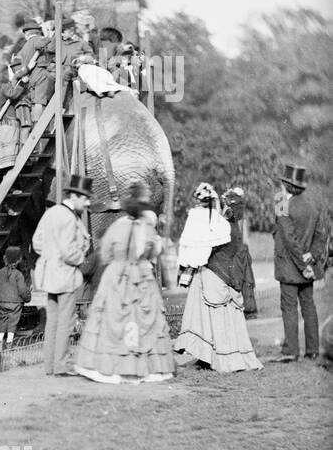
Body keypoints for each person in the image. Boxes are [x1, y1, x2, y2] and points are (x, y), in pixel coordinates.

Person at [72, 182, 175, 384]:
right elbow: (154, 252)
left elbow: (106, 252)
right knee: (141, 319)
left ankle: (113, 366)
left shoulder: (117, 226)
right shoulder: (147, 228)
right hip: (141, 275)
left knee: (113, 318)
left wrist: (119, 262)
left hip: (117, 274)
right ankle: (143, 366)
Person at [174, 186, 263, 372]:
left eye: (224, 206)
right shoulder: (234, 227)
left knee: (208, 318)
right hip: (229, 279)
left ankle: (214, 357)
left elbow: (206, 250)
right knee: (226, 320)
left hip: (215, 276)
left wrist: (190, 263)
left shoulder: (222, 228)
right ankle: (217, 356)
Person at [31, 174, 94, 376]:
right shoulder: (69, 218)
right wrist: (80, 258)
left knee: (52, 322)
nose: (88, 202)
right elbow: (69, 252)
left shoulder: (52, 213)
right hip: (65, 276)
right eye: (85, 198)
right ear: (74, 196)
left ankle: (49, 366)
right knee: (65, 322)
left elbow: (37, 242)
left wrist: (51, 255)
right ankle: (62, 365)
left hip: (49, 275)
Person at [272, 163, 327, 362]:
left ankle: (291, 351)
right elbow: (321, 235)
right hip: (307, 265)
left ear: (286, 184)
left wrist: (303, 267)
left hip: (289, 266)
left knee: (289, 307)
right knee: (308, 306)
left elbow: (288, 238)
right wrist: (311, 255)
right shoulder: (314, 203)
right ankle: (312, 350)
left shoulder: (280, 202)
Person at [0, 245, 32, 351]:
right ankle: (10, 347)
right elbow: (22, 291)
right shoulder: (18, 275)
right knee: (12, 325)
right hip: (15, 304)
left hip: (1, 302)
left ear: (5, 258)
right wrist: (28, 297)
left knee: (1, 325)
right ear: (19, 259)